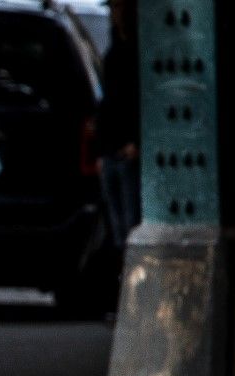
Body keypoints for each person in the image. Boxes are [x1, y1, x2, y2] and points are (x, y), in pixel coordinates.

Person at [96, 0, 140, 250]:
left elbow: (138, 100)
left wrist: (136, 143)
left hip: (127, 151)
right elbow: (108, 103)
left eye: (119, 7)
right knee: (118, 229)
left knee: (130, 224)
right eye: (113, 8)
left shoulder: (135, 53)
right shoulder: (114, 52)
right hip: (111, 149)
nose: (116, 14)